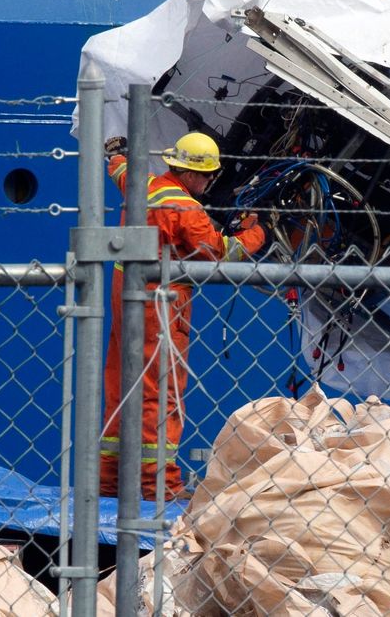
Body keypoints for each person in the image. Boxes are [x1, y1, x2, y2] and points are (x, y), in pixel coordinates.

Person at [99, 131, 266, 501]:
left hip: (123, 292)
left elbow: (120, 169)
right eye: (207, 176)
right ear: (191, 173)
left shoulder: (143, 183)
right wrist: (256, 233)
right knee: (162, 393)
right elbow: (220, 254)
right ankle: (160, 485)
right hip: (161, 302)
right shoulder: (186, 208)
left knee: (120, 388)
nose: (209, 182)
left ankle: (108, 483)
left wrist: (115, 154)